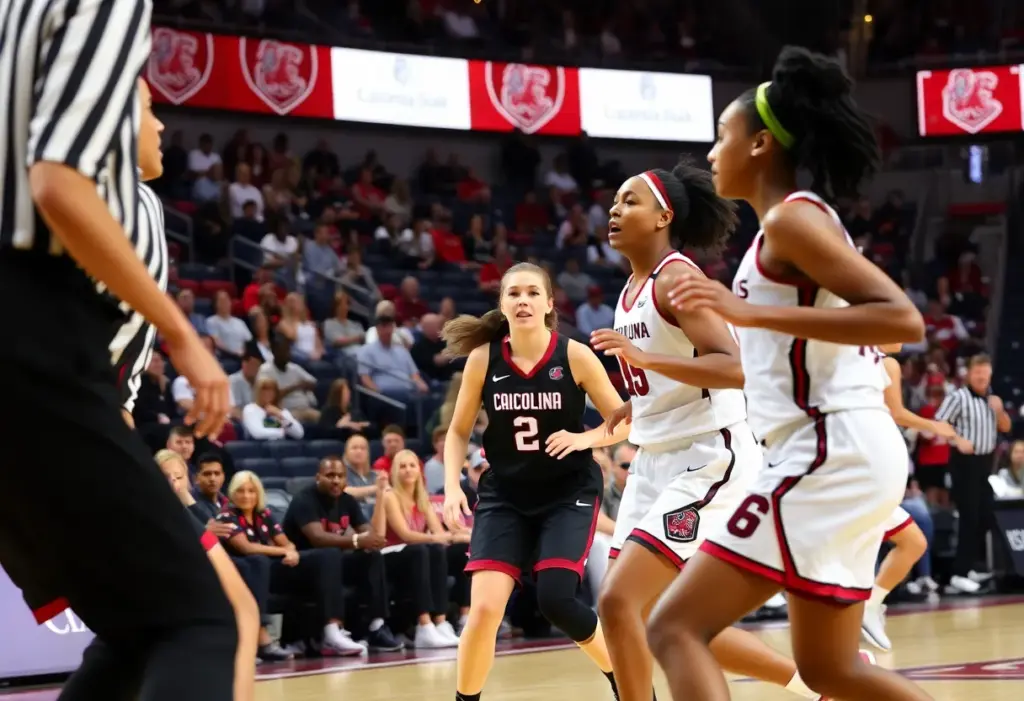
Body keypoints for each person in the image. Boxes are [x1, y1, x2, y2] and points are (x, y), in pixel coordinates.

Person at [647, 46, 930, 701]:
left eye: (723, 135)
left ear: (760, 144)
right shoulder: (787, 225)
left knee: (673, 625)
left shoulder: (791, 219)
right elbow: (788, 355)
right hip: (843, 447)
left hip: (828, 447)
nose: (713, 151)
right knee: (832, 669)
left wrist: (747, 313)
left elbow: (901, 319)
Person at [0, 3, 235, 697]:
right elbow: (57, 177)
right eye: (148, 106)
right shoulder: (128, 205)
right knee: (208, 619)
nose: (163, 122)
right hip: (36, 344)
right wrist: (185, 336)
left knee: (145, 628)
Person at [557, 162, 834, 701]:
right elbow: (668, 381)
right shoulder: (632, 288)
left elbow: (734, 367)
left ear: (664, 216)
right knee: (651, 613)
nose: (614, 210)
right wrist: (631, 411)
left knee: (619, 603)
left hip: (710, 456)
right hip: (655, 459)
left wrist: (643, 357)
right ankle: (815, 686)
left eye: (630, 201)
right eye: (614, 201)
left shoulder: (677, 278)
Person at [440, 263, 629, 701]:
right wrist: (452, 487)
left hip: (567, 492)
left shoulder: (574, 354)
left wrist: (583, 437)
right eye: (513, 294)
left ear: (548, 304)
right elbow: (457, 431)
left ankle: (623, 678)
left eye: (531, 293)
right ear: (502, 305)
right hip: (506, 493)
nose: (522, 300)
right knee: (484, 610)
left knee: (557, 599)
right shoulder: (484, 359)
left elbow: (622, 421)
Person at [861, 344, 956, 651]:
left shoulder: (880, 362)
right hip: (856, 473)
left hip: (875, 474)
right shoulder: (871, 361)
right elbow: (897, 413)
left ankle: (870, 605)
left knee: (913, 541)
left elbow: (895, 414)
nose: (904, 338)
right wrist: (934, 426)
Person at [935, 353, 1010, 594]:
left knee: (986, 515)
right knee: (969, 518)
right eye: (978, 373)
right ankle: (958, 575)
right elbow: (939, 422)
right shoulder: (958, 397)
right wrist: (957, 440)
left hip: (985, 465)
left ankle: (967, 567)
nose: (982, 377)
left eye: (986, 374)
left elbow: (1006, 427)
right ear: (968, 373)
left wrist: (999, 412)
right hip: (964, 463)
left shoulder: (992, 399)